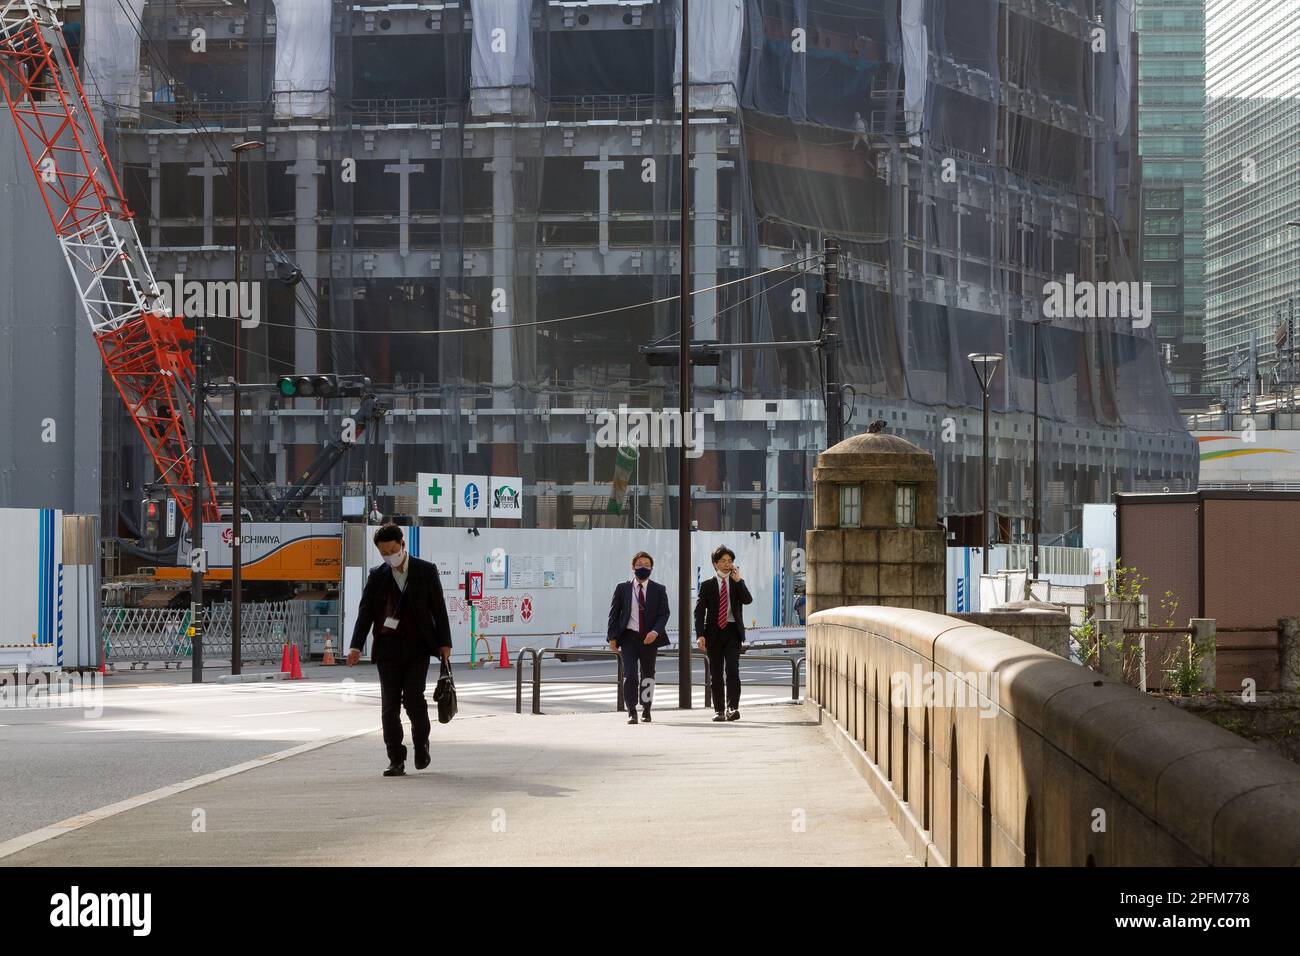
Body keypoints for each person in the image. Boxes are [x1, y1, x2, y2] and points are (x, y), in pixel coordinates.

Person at [347, 523, 452, 776]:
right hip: (387, 648)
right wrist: (355, 645)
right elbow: (365, 613)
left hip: (418, 647)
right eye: (384, 553)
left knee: (414, 699)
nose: (389, 556)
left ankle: (421, 745)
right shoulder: (377, 575)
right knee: (389, 706)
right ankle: (396, 758)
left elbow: (438, 607)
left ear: (403, 545)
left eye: (393, 550)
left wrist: (444, 643)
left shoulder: (426, 570)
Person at [607, 551, 670, 724]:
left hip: (649, 638)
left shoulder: (658, 589)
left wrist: (655, 632)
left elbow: (664, 614)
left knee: (648, 674)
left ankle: (647, 709)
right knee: (630, 674)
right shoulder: (623, 588)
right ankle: (631, 710)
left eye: (647, 565)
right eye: (640, 564)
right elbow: (614, 614)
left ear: (652, 568)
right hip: (629, 637)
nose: (643, 567)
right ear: (633, 566)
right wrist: (612, 637)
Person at [695, 545, 752, 722]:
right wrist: (700, 634)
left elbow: (748, 600)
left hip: (733, 632)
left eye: (730, 561)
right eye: (723, 561)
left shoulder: (736, 583)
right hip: (713, 633)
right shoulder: (707, 585)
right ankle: (719, 710)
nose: (727, 564)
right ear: (715, 564)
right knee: (716, 673)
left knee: (733, 670)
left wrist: (739, 581)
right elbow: (699, 612)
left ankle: (732, 707)